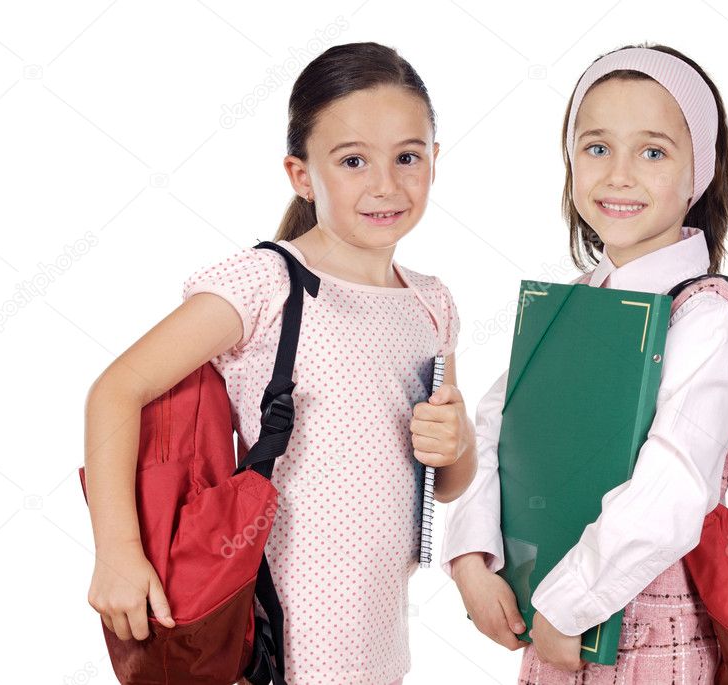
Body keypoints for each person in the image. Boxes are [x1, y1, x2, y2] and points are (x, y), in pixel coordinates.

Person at [83, 41, 477, 685]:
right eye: (353, 161)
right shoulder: (267, 283)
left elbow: (445, 482)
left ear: (435, 160)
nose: (386, 184)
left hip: (380, 640)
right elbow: (116, 389)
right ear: (301, 174)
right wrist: (118, 552)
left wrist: (456, 446)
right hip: (277, 631)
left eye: (408, 157)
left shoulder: (431, 303)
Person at [441, 44, 728, 684]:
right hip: (549, 627)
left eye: (653, 151)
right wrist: (471, 558)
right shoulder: (570, 303)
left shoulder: (707, 318)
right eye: (596, 148)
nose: (619, 175)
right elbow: (497, 427)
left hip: (649, 641)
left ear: (701, 169)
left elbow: (673, 485)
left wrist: (569, 602)